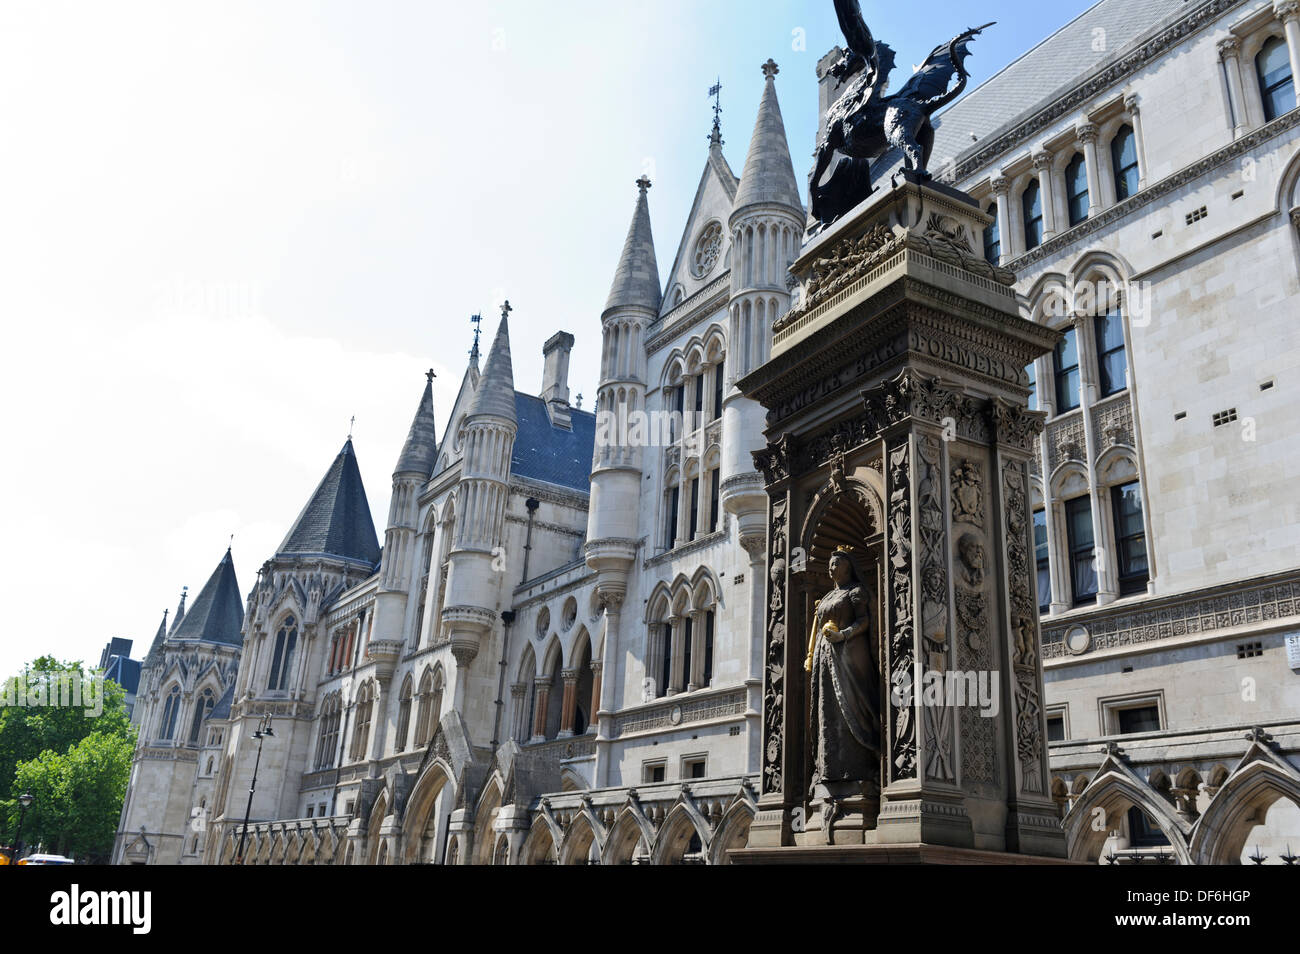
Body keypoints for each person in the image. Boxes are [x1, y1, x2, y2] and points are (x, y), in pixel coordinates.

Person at [805, 547, 880, 827]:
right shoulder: (826, 597)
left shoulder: (856, 592)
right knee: (828, 712)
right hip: (827, 658)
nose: (831, 568)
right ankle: (828, 771)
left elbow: (865, 621)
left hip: (849, 655)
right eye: (829, 564)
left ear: (848, 566)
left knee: (851, 706)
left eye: (836, 563)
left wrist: (843, 635)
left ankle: (858, 770)